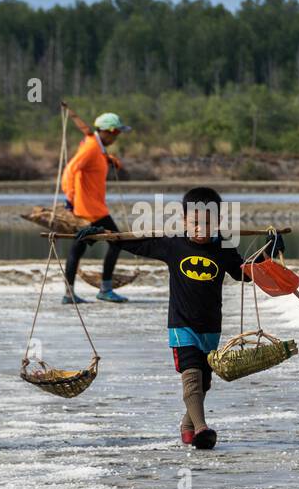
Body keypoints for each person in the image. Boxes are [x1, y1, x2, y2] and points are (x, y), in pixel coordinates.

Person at [81, 187, 279, 449]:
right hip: (181, 324)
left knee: (205, 381)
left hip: (210, 326)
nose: (200, 228)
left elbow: (243, 274)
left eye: (208, 223)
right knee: (191, 375)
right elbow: (136, 243)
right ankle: (202, 429)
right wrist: (104, 235)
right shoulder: (172, 243)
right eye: (195, 222)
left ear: (218, 222)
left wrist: (270, 250)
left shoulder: (224, 247)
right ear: (184, 221)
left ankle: (188, 425)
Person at [60, 104, 131, 304]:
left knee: (78, 248)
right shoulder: (91, 147)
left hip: (92, 208)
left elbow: (94, 164)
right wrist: (70, 198)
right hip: (90, 210)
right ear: (109, 132)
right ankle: (105, 289)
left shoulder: (97, 148)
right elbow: (71, 169)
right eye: (116, 133)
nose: (117, 137)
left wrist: (110, 160)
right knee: (117, 242)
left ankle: (69, 293)